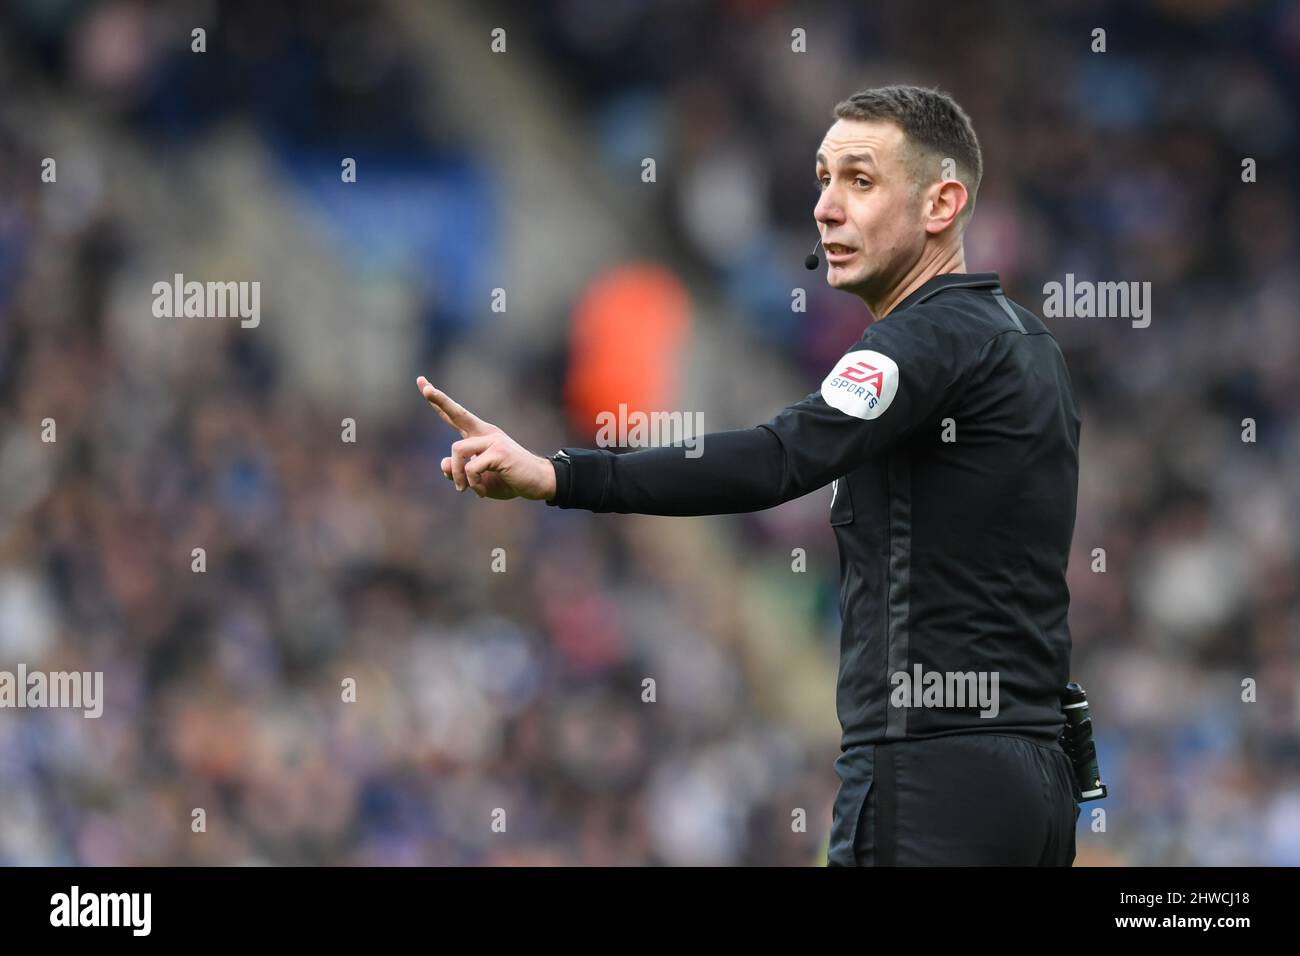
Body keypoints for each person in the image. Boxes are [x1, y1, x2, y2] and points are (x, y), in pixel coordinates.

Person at [418, 85, 1082, 866]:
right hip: (1037, 782)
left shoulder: (920, 341)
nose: (826, 208)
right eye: (824, 180)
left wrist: (559, 475)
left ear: (941, 204)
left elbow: (774, 459)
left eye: (860, 181)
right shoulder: (1032, 350)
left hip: (932, 771)